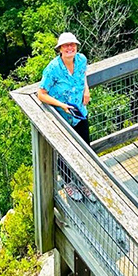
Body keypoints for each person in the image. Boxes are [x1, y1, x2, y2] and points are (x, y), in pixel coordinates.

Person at [38, 31, 95, 202]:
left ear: (76, 47)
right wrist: (62, 105)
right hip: (61, 118)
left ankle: (84, 181)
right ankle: (69, 183)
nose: (70, 48)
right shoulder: (53, 68)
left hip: (79, 113)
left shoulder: (81, 60)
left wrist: (86, 89)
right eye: (66, 45)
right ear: (60, 49)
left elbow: (83, 74)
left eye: (72, 45)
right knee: (64, 153)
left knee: (85, 148)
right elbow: (41, 93)